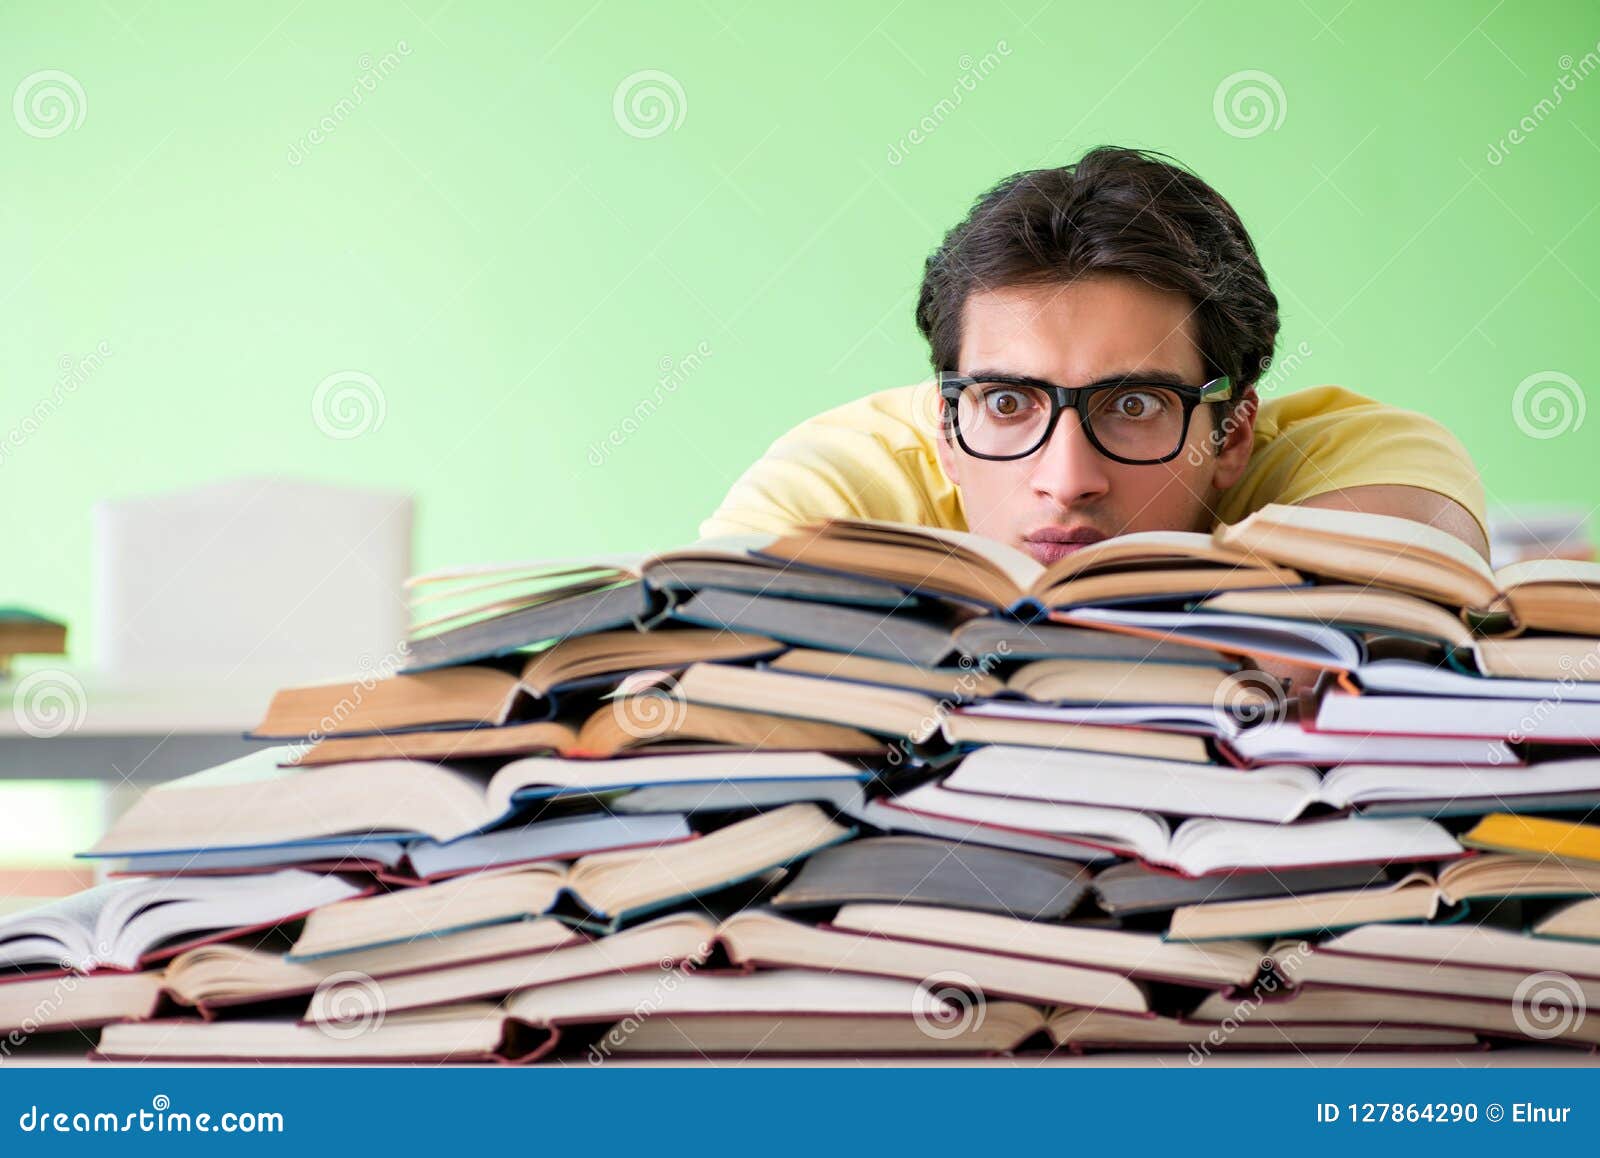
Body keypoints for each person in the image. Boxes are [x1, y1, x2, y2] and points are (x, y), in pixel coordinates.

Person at [699, 146, 1487, 564]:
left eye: (1136, 405)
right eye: (1007, 403)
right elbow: (670, 694)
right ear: (945, 429)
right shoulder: (840, 474)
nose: (1068, 483)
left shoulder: (1347, 453)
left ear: (1233, 434)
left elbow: (1406, 584)